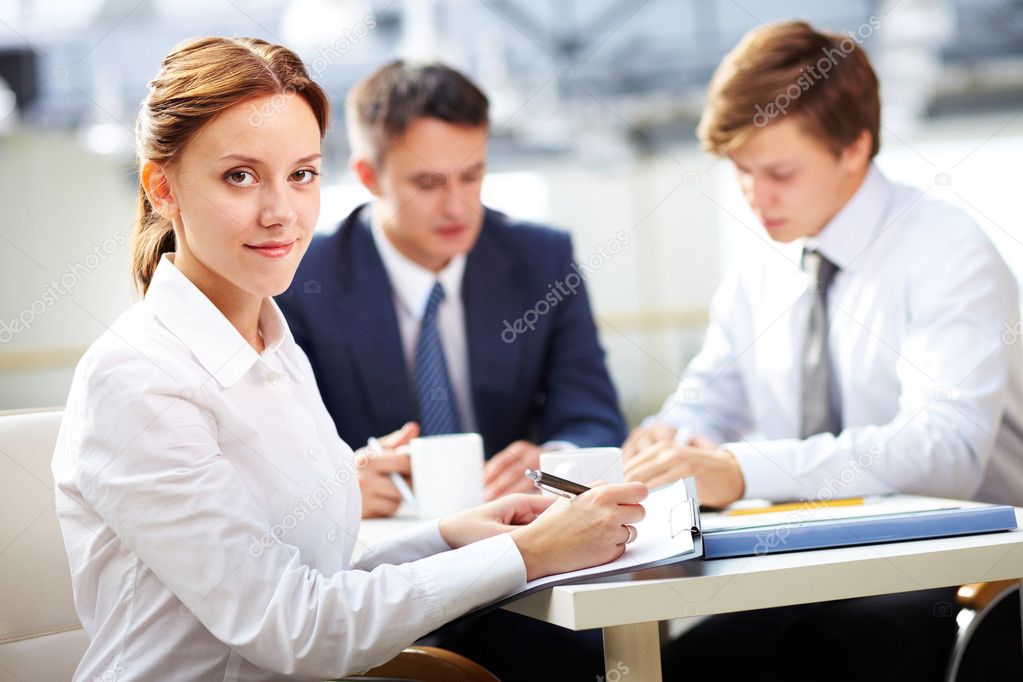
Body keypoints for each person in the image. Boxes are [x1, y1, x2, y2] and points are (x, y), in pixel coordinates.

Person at [51, 36, 647, 682]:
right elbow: (296, 628)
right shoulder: (137, 378)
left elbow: (320, 580)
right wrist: (527, 555)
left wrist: (450, 536)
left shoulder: (271, 346)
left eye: (302, 175)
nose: (281, 213)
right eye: (240, 176)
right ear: (161, 188)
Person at [621, 21, 1023, 680]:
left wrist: (739, 470)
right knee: (685, 665)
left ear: (854, 147)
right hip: (808, 570)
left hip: (952, 573)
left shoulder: (947, 251)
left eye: (778, 172)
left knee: (809, 656)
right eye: (741, 172)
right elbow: (709, 399)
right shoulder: (761, 272)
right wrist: (670, 438)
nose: (755, 197)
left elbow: (945, 452)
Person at [276, 60, 626, 519]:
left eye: (471, 176)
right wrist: (335, 480)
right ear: (369, 176)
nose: (458, 207)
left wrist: (556, 462)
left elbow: (593, 416)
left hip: (513, 528)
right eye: (428, 183)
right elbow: (279, 451)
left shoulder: (543, 262)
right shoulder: (299, 279)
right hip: (379, 537)